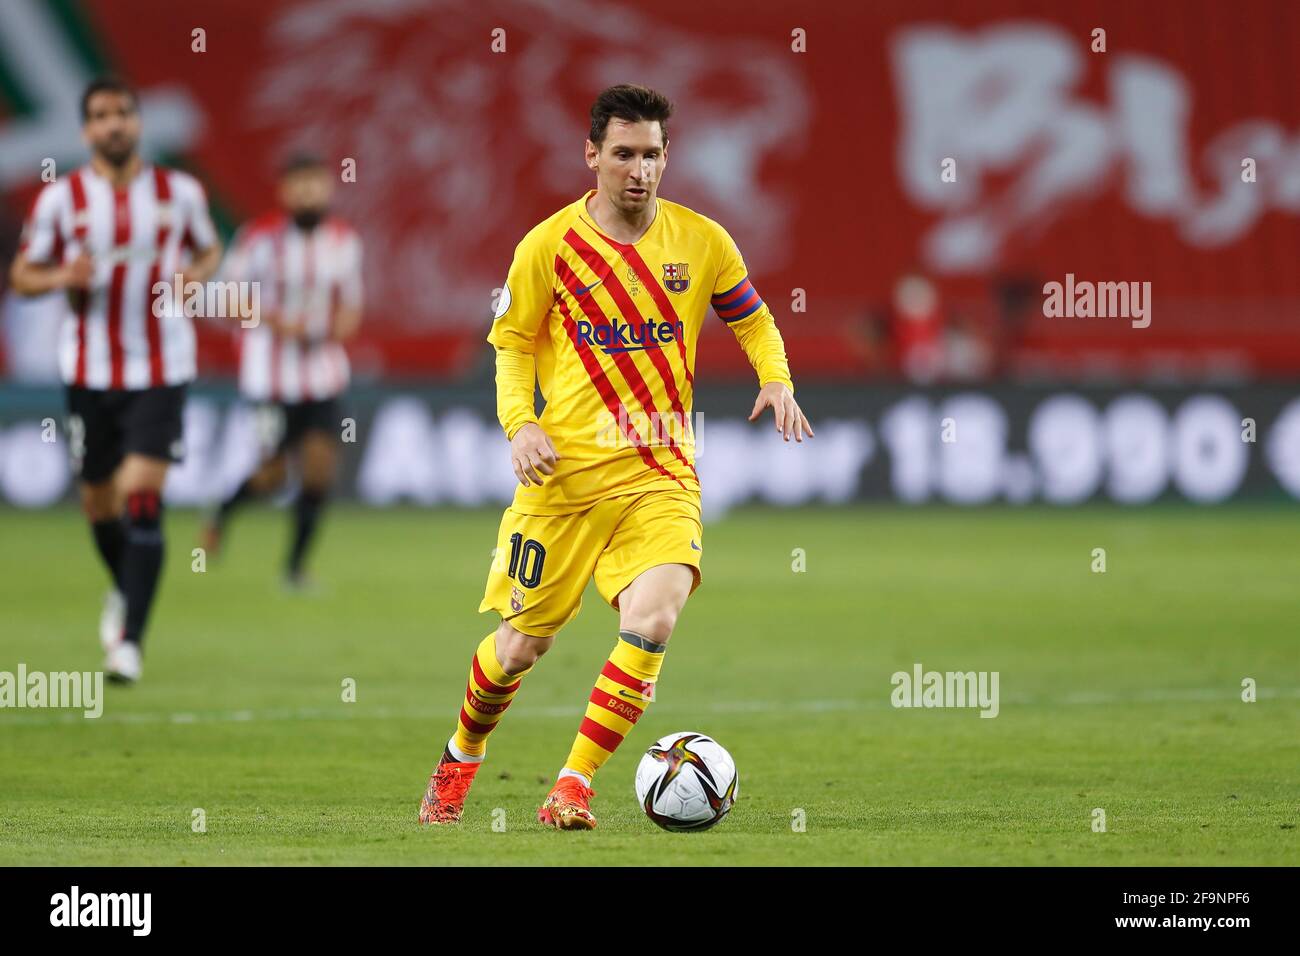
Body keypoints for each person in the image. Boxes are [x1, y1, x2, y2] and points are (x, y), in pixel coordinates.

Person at [418, 84, 813, 829]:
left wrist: (777, 377)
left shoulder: (702, 240)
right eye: (624, 154)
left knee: (654, 619)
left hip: (659, 473)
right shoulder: (549, 245)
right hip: (561, 482)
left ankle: (572, 786)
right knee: (519, 647)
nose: (639, 169)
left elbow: (754, 320)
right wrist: (519, 425)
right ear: (591, 155)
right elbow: (510, 344)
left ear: (669, 157)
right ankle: (461, 757)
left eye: (653, 155)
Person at [8, 77, 221, 682]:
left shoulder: (178, 193)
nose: (114, 125)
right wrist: (60, 279)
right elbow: (23, 275)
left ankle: (128, 643)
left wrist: (194, 277)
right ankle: (124, 588)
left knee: (142, 499)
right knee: (100, 505)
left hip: (162, 367)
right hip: (88, 371)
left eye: (122, 113)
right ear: (85, 131)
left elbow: (208, 252)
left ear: (137, 122)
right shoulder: (61, 201)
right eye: (101, 116)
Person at [202, 154, 363, 587]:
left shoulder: (344, 242)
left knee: (319, 471)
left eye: (316, 183)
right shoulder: (259, 240)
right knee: (273, 476)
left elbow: (351, 305)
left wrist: (332, 330)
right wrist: (276, 323)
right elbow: (223, 300)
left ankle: (294, 570)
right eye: (299, 185)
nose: (308, 192)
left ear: (328, 188)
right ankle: (223, 511)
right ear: (285, 191)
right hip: (270, 381)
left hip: (324, 377)